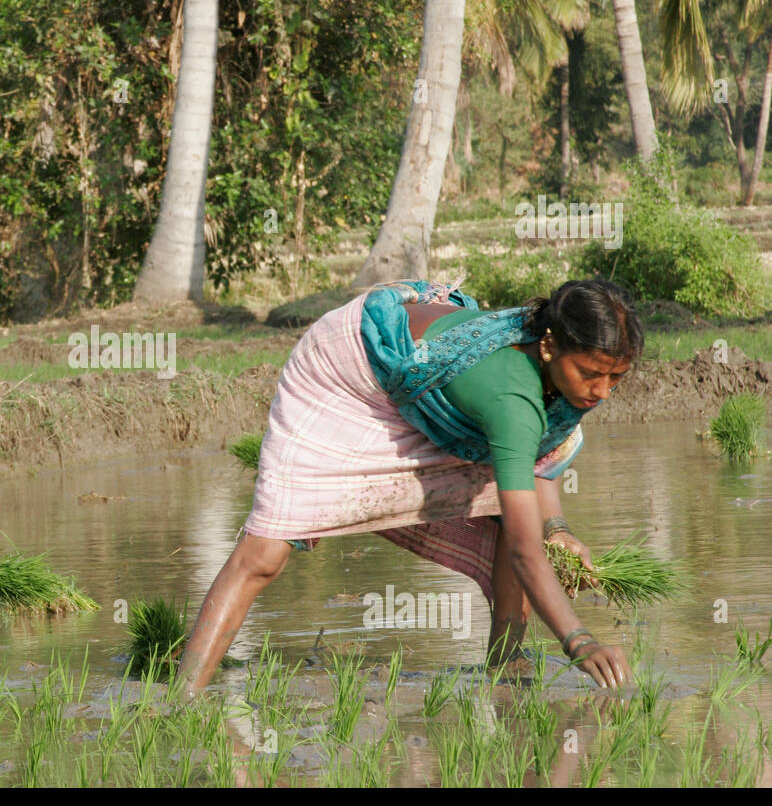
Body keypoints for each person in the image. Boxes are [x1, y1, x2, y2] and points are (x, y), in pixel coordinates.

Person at [178, 278, 642, 694]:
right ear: (548, 345)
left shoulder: (562, 378)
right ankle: (183, 701)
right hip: (350, 367)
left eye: (615, 378)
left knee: (507, 515)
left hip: (432, 390)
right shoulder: (512, 399)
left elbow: (541, 456)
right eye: (591, 373)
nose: (602, 391)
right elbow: (525, 548)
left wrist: (556, 528)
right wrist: (579, 642)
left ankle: (506, 673)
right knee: (264, 555)